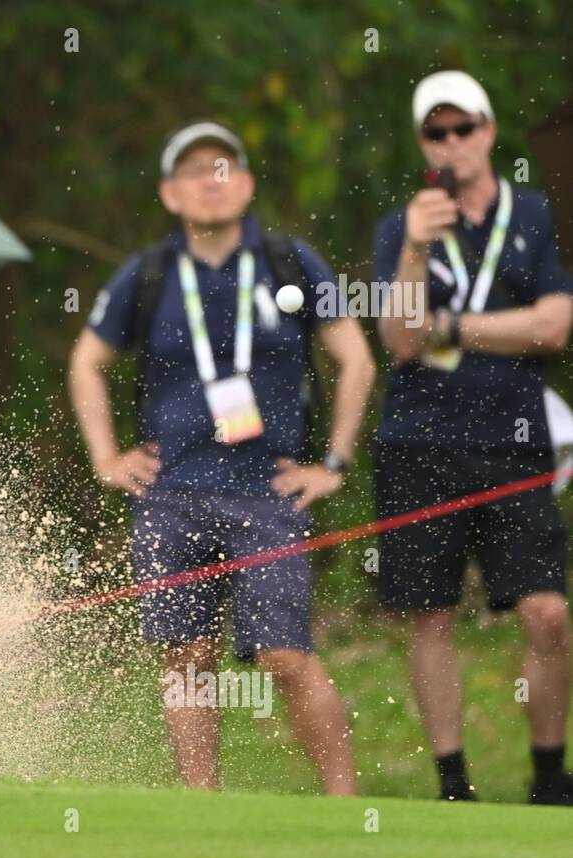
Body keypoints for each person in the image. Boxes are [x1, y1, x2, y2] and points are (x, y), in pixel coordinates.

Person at [68, 122, 375, 795]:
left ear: (246, 184)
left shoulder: (291, 263)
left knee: (285, 657)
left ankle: (348, 808)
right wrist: (105, 457)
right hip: (171, 494)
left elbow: (355, 358)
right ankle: (201, 808)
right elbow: (87, 362)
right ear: (169, 194)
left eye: (223, 169)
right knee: (187, 657)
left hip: (267, 495)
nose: (210, 184)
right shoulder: (147, 275)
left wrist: (335, 463)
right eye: (193, 173)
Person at [373, 71, 573, 804]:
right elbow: (399, 338)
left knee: (547, 612)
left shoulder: (535, 214)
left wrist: (454, 328)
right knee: (430, 615)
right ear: (424, 143)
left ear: (488, 131)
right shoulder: (403, 227)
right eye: (437, 132)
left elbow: (554, 325)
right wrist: (418, 256)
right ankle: (453, 786)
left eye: (464, 128)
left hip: (513, 444)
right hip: (417, 443)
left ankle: (549, 777)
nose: (452, 143)